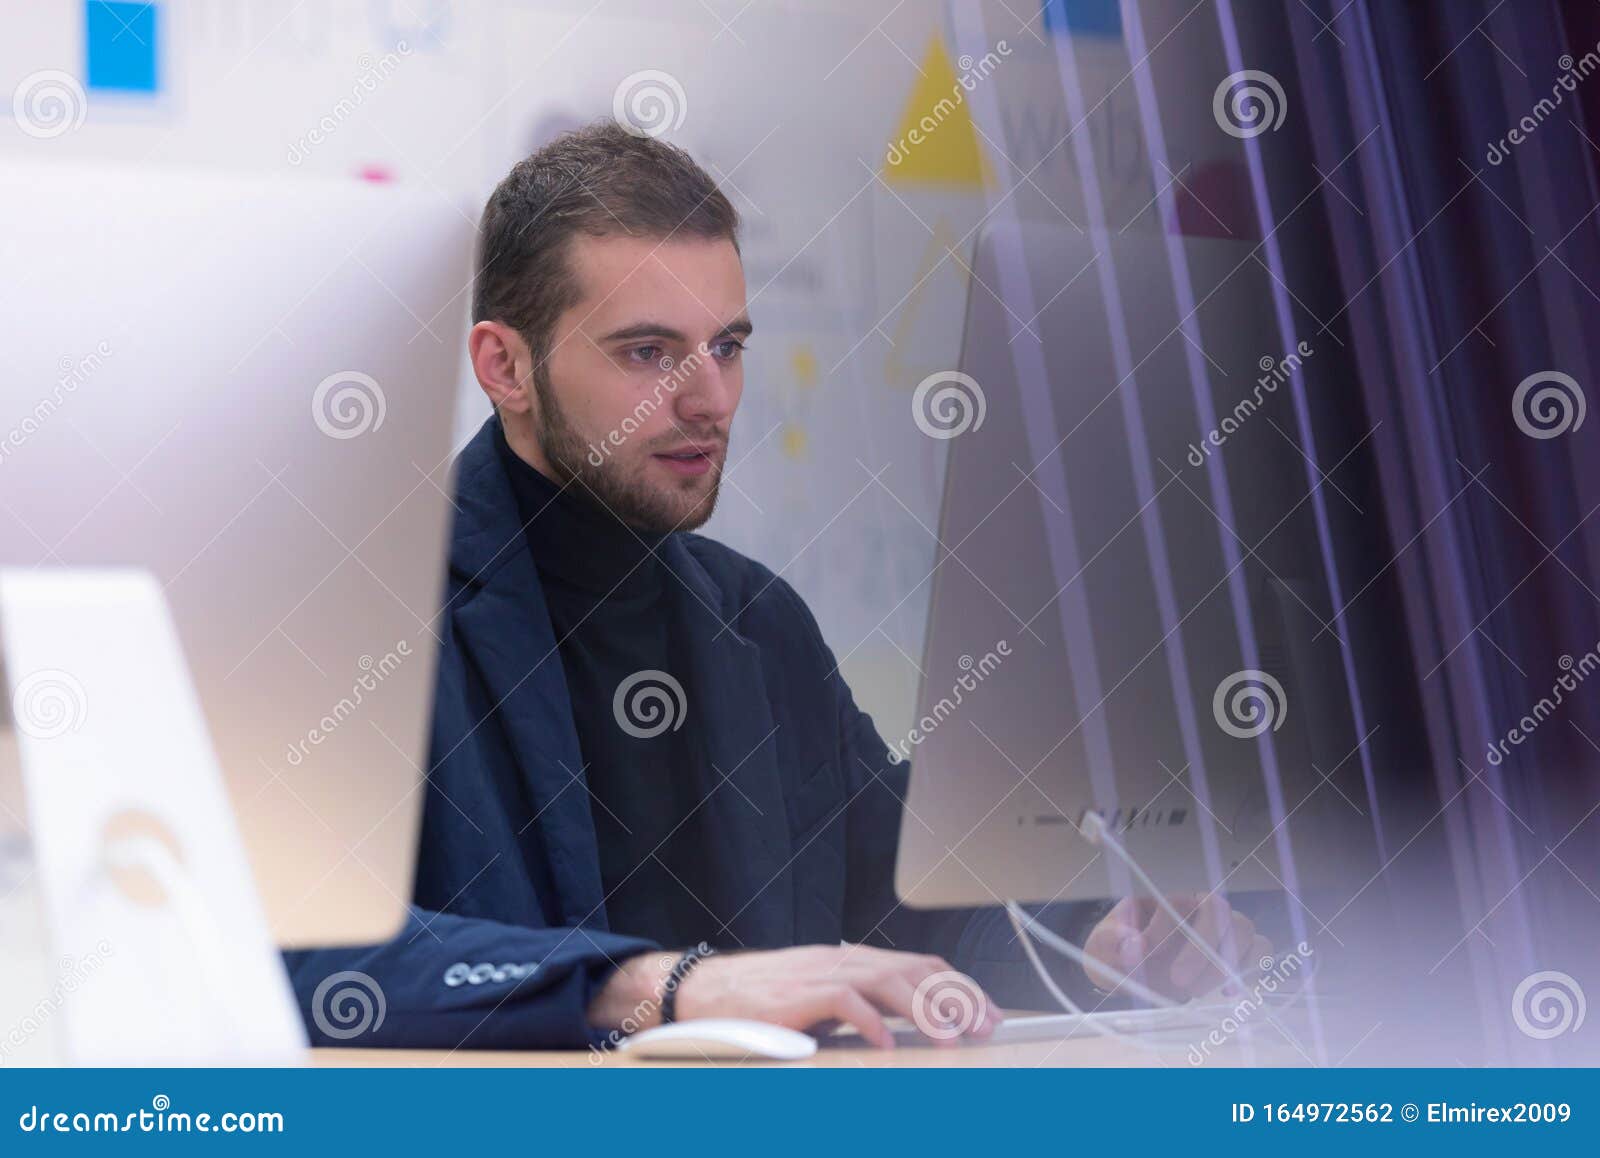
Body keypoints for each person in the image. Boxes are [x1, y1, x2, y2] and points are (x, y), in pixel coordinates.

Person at [283, 121, 1269, 1050]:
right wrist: (657, 986)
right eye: (647, 352)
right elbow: (301, 946)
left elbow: (901, 888)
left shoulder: (758, 621)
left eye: (727, 346)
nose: (708, 398)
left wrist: (1099, 946)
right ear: (505, 366)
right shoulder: (356, 614)